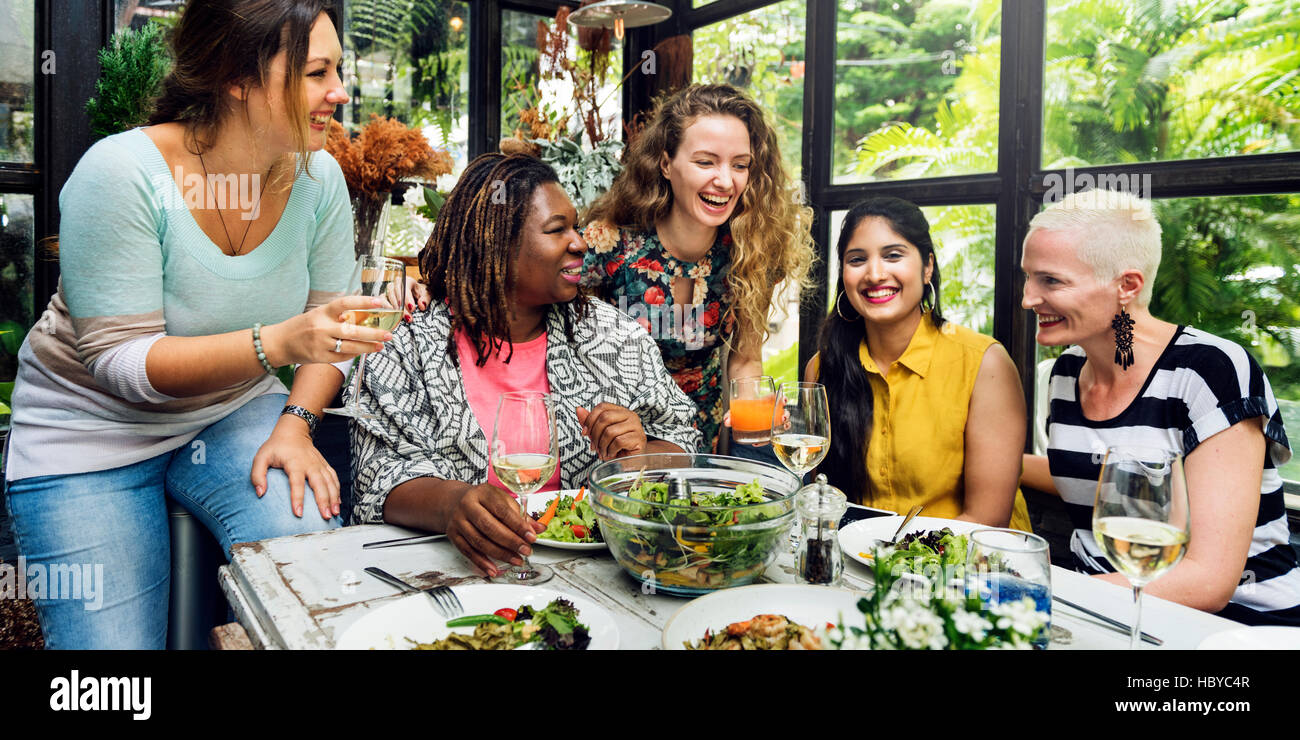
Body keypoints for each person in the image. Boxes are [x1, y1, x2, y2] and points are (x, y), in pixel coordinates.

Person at [0, 0, 396, 649]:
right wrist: (280, 341)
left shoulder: (319, 177)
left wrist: (297, 425)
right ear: (238, 77)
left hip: (230, 411)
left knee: (316, 593)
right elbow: (123, 365)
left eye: (337, 71)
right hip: (92, 433)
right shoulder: (120, 173)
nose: (339, 92)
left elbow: (333, 330)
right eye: (315, 73)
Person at [349, 154, 700, 577]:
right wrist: (451, 505)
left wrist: (638, 455)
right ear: (496, 245)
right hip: (445, 574)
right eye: (557, 230)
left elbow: (683, 442)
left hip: (598, 574)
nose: (580, 243)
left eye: (575, 225)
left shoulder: (614, 339)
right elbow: (378, 474)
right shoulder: (408, 343)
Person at [1020, 188, 1298, 624]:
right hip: (1106, 612)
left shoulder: (1210, 370)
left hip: (1234, 624)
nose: (1027, 298)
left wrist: (1035, 599)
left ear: (1126, 286)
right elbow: (1111, 481)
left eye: (1051, 281)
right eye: (1028, 277)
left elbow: (1207, 582)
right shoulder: (1066, 372)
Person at [580, 84, 814, 453]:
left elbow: (746, 360)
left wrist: (755, 424)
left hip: (700, 448)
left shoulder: (751, 250)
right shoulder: (609, 244)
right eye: (706, 162)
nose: (725, 180)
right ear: (665, 163)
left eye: (740, 165)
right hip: (617, 448)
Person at [809, 197, 1032, 530]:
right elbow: (823, 498)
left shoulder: (984, 364)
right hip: (861, 562)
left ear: (927, 266)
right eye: (857, 260)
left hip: (970, 568)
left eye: (893, 255)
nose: (874, 273)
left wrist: (893, 563)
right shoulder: (823, 367)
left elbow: (987, 520)